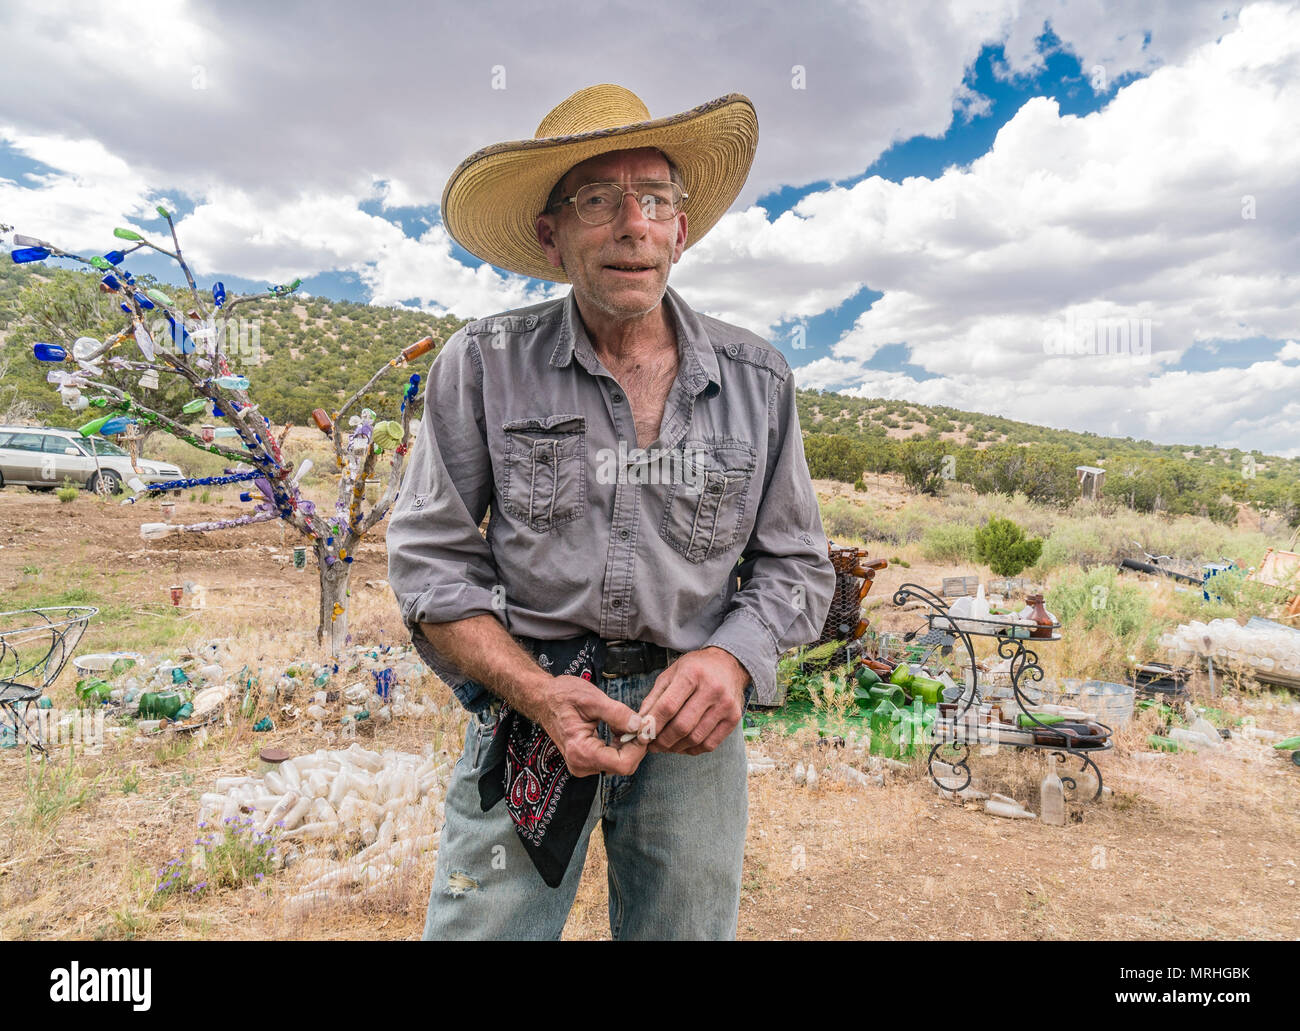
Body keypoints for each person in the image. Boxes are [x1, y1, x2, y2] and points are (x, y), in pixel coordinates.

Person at [387, 83, 835, 940]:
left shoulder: (759, 381)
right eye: (598, 199)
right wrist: (538, 692)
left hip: (692, 727)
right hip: (533, 704)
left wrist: (732, 661)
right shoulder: (483, 363)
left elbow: (797, 564)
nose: (633, 223)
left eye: (655, 199)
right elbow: (431, 563)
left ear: (682, 228)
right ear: (552, 235)